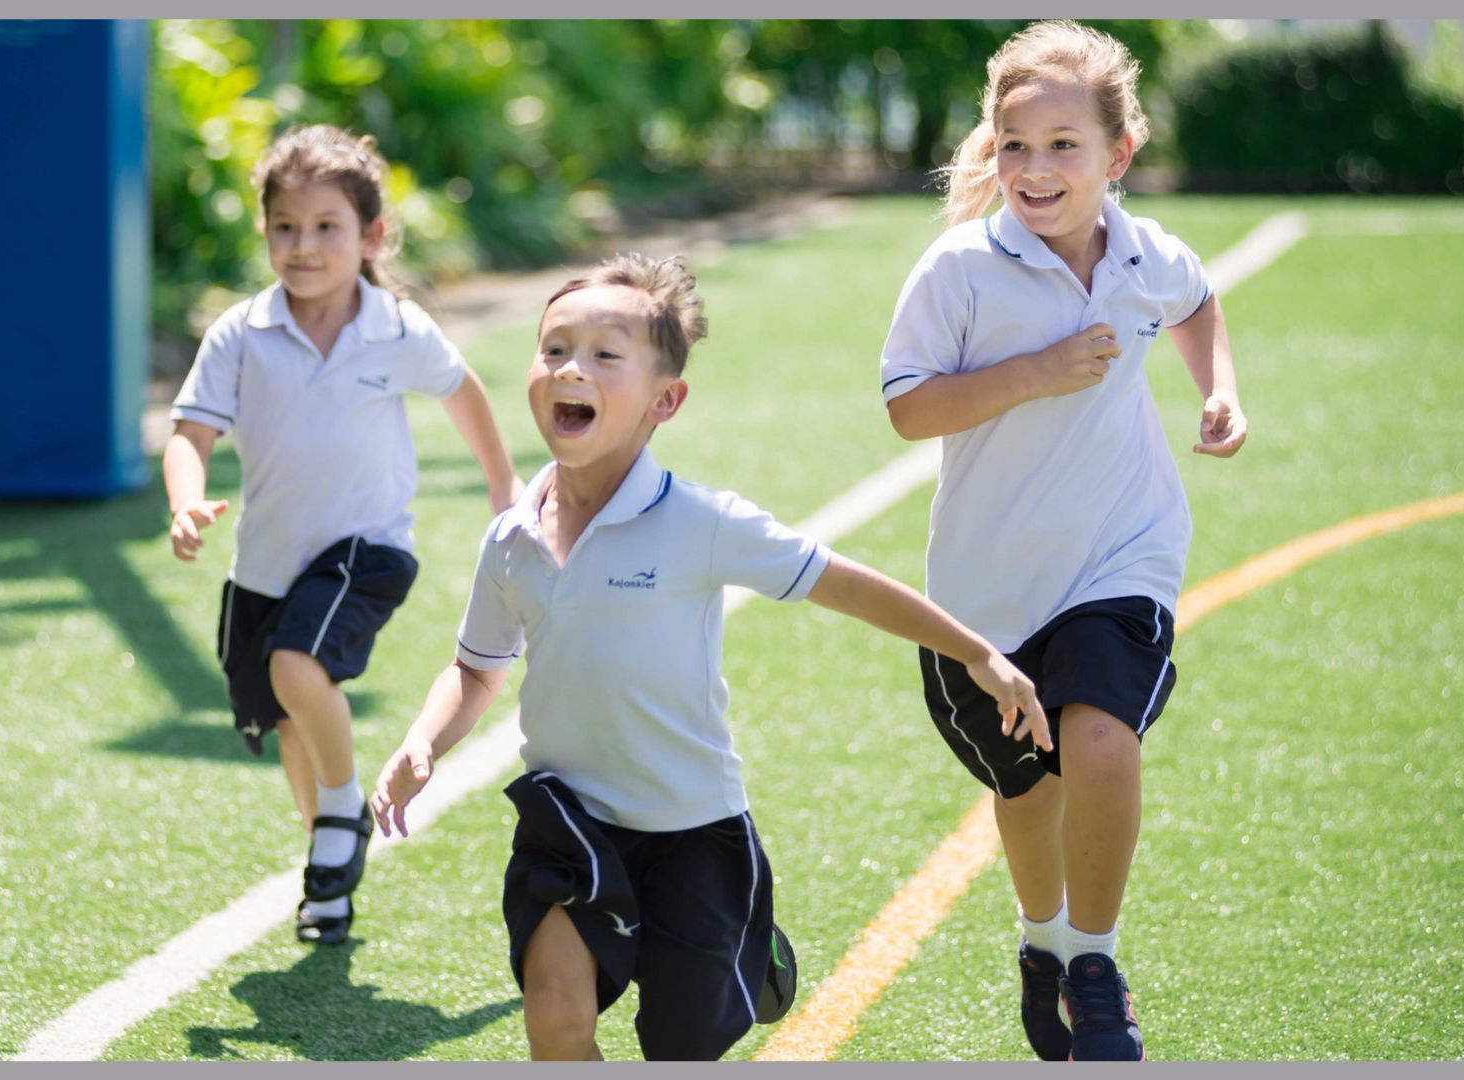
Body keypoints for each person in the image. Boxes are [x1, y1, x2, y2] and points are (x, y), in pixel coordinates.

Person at [369, 253, 1048, 1060]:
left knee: (679, 1048)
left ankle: (747, 940)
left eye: (604, 356)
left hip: (693, 833)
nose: (570, 370)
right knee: (555, 1017)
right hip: (570, 822)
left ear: (666, 400)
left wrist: (977, 654)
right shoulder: (512, 537)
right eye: (554, 349)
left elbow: (847, 587)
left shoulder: (700, 522)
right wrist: (423, 741)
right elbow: (478, 668)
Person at [878, 20, 1248, 1061]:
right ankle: (1042, 944)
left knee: (1098, 743)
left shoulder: (1141, 249)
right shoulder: (958, 268)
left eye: (1063, 145)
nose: (1036, 170)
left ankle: (1094, 957)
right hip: (984, 595)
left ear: (1117, 155)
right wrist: (1035, 372)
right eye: (1015, 147)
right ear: (992, 153)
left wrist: (1219, 390)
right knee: (1025, 789)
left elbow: (1199, 297)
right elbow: (909, 410)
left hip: (1121, 557)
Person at [164, 124, 519, 948]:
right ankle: (329, 878)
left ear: (371, 237)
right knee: (290, 721)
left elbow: (464, 392)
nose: (304, 245)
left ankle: (338, 815)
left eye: (327, 226)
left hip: (369, 547)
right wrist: (184, 502)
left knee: (298, 667)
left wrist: (503, 485)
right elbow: (190, 433)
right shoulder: (240, 334)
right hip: (266, 566)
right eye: (285, 225)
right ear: (264, 232)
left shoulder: (395, 329)